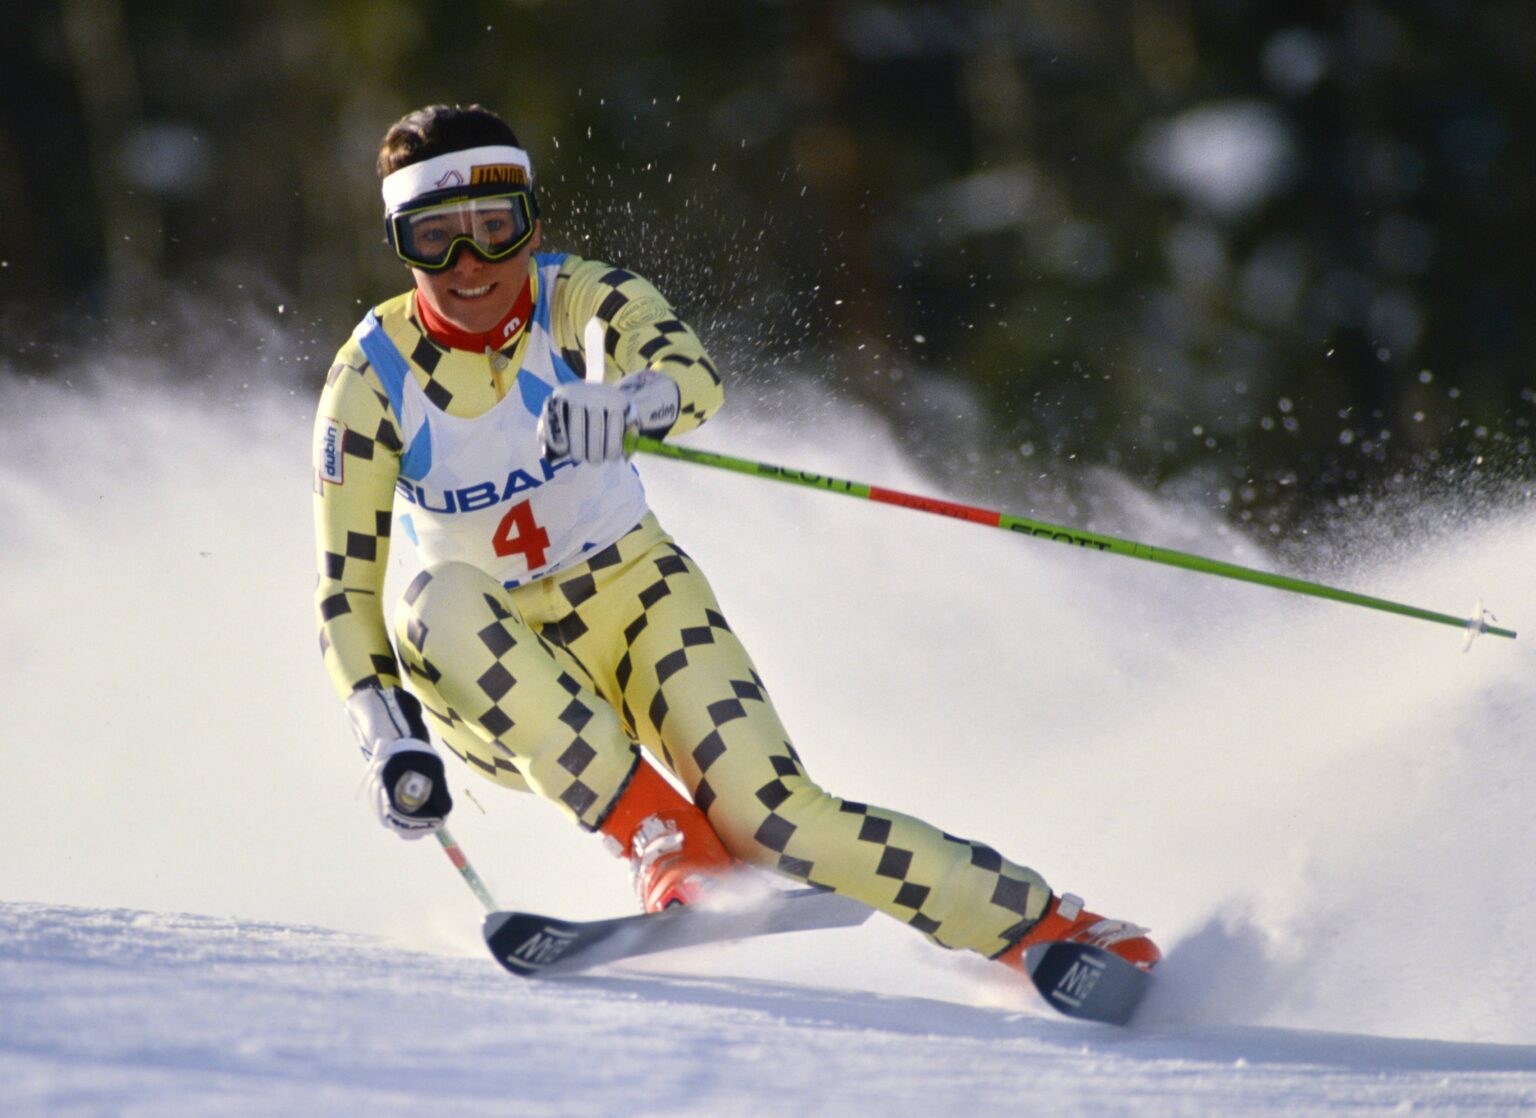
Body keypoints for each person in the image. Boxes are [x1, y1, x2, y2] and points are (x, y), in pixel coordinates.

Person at [311, 103, 1160, 974]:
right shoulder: (372, 377)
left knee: (774, 817)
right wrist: (389, 736)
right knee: (435, 599)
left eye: (497, 230)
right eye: (434, 239)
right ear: (399, 243)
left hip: (635, 595)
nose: (471, 265)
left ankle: (1041, 928)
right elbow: (347, 589)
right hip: (496, 671)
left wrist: (631, 403)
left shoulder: (578, 298)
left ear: (532, 222)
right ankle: (665, 838)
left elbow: (692, 376)